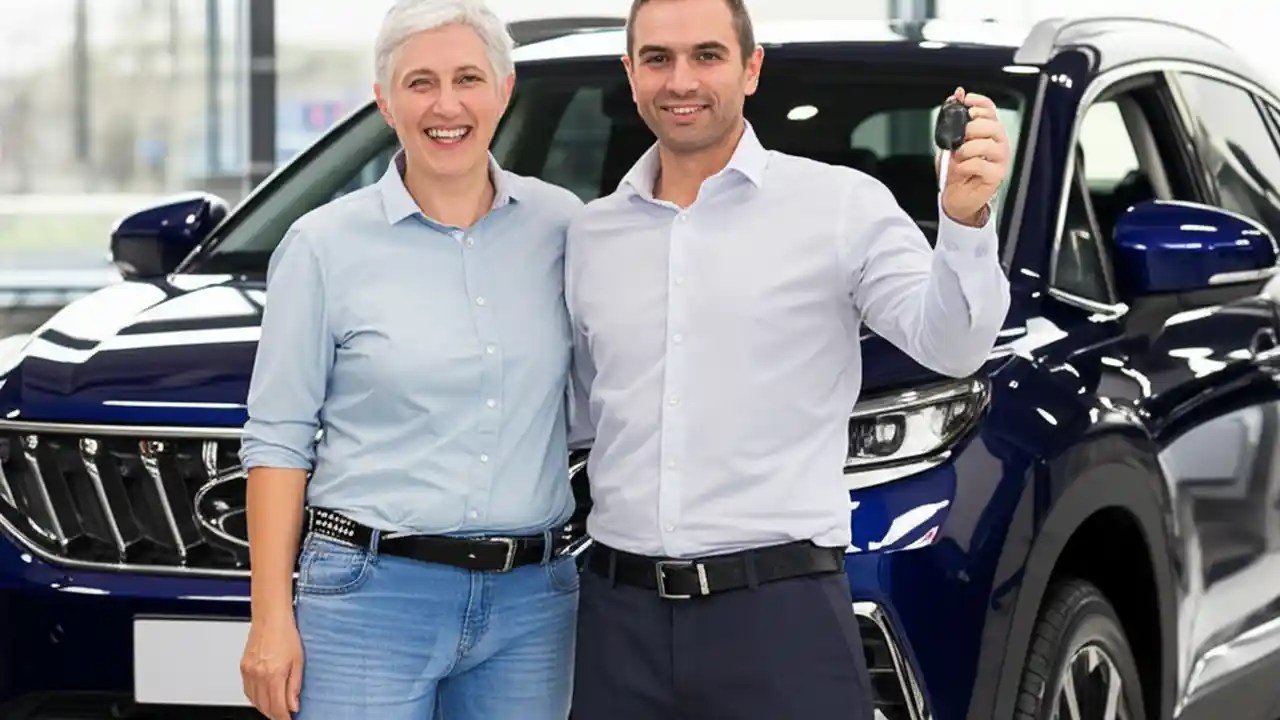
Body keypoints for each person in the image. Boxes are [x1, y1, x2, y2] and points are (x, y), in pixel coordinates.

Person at [563, 0, 1012, 717]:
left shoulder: (838, 206)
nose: (681, 80)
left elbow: (953, 345)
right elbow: (582, 415)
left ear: (751, 68)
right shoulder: (589, 235)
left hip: (779, 619)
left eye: (707, 56)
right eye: (658, 59)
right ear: (631, 73)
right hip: (617, 623)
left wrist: (962, 223)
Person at [235, 1, 585, 718]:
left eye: (467, 78)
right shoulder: (322, 246)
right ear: (385, 103)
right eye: (420, 82)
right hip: (370, 598)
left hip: (532, 602)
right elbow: (277, 439)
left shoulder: (565, 228)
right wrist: (270, 618)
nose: (446, 104)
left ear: (504, 90)